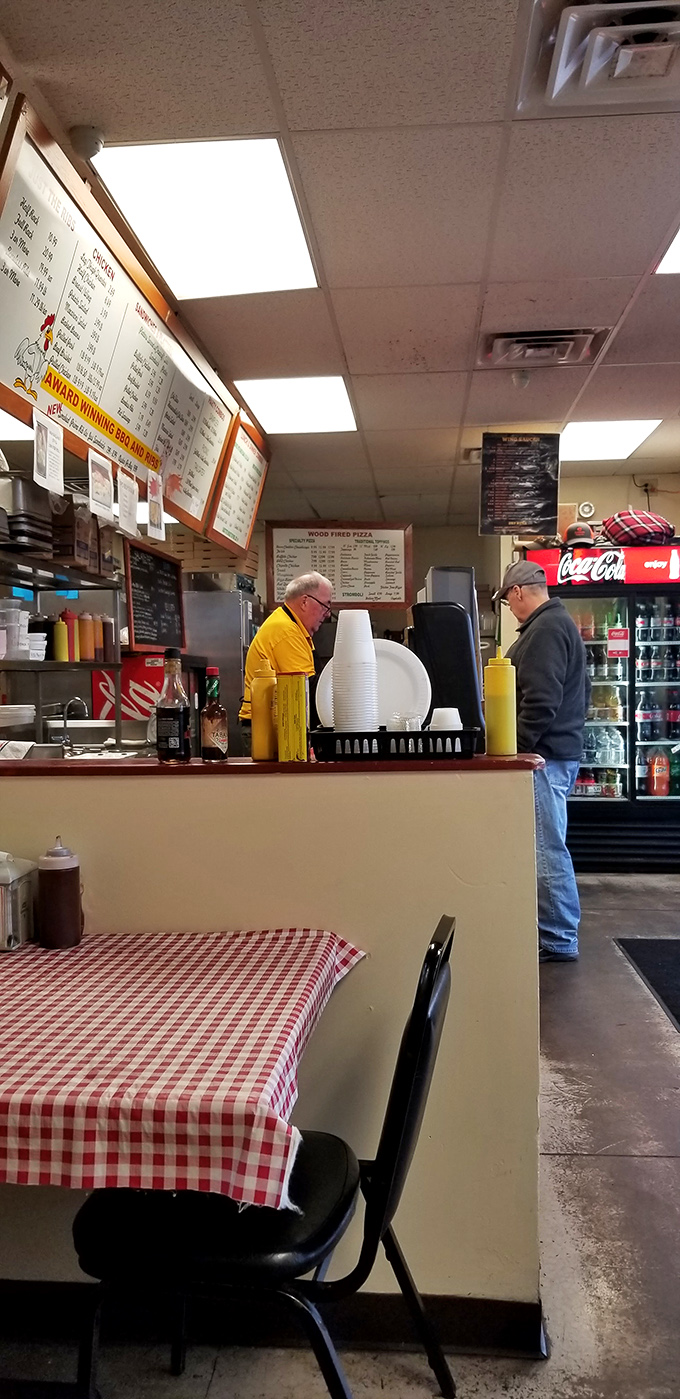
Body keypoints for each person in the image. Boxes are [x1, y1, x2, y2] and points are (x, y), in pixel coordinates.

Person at [493, 560, 589, 964]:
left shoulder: (546, 630)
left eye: (507, 601)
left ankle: (559, 939)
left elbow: (541, 702)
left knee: (547, 849)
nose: (509, 609)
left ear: (517, 592)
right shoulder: (556, 624)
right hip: (555, 753)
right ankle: (554, 932)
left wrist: (514, 750)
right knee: (547, 845)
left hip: (543, 757)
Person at [239, 572, 334, 735]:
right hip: (265, 730)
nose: (327, 614)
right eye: (325, 606)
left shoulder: (294, 627)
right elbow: (306, 692)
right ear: (305, 602)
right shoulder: (286, 631)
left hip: (275, 726)